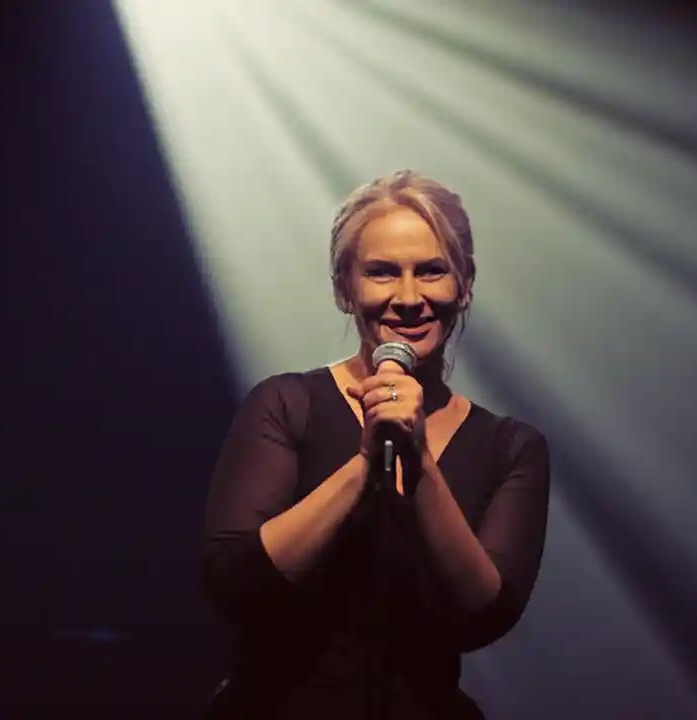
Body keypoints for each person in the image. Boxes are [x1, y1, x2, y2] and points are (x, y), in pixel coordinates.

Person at [201, 169, 550, 719]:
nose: (409, 298)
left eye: (432, 271)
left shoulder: (510, 447)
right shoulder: (288, 405)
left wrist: (419, 460)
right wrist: (366, 463)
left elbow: (484, 614)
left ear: (464, 283)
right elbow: (235, 584)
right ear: (345, 289)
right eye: (382, 273)